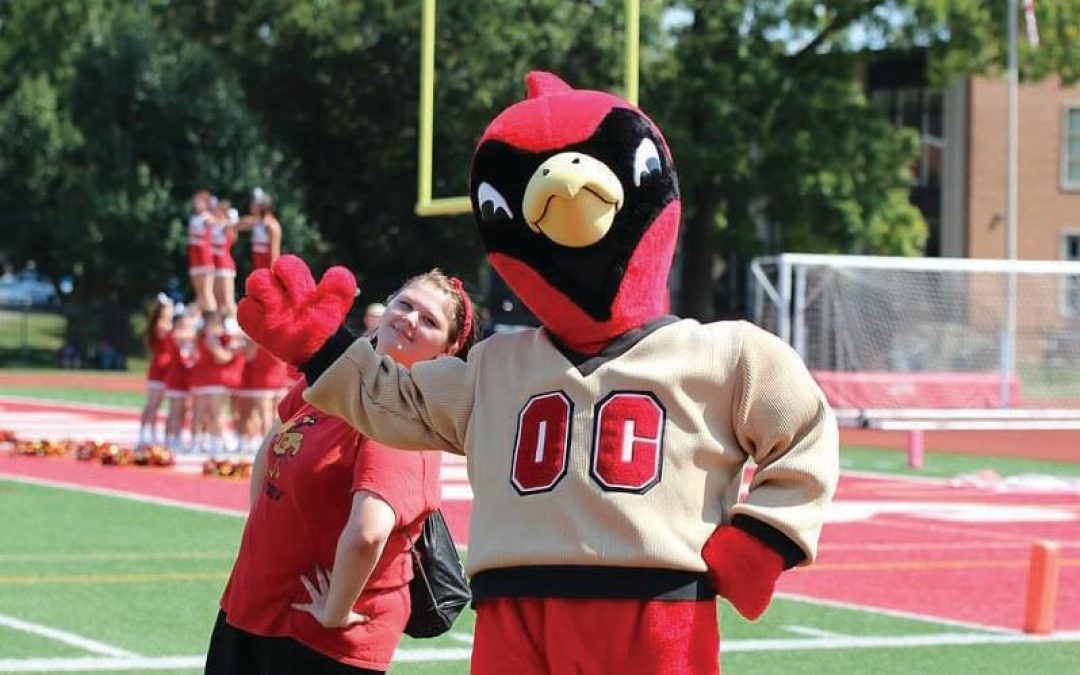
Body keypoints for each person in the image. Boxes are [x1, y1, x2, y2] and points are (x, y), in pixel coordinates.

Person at [238, 72, 838, 674]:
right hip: (513, 615)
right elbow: (393, 401)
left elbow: (805, 434)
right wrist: (321, 346)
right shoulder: (494, 365)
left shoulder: (724, 354)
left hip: (656, 615)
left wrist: (761, 544)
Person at [207, 268, 481, 675]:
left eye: (429, 321)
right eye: (405, 305)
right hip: (255, 604)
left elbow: (369, 531)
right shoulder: (337, 378)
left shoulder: (402, 420)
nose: (409, 319)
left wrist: (335, 610)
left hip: (316, 635)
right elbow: (272, 450)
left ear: (445, 351)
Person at [138, 293, 175, 448]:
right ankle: (145, 434)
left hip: (166, 367)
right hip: (159, 367)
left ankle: (151, 433)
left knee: (157, 404)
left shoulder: (165, 324)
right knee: (153, 404)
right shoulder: (161, 325)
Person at [188, 191, 217, 313]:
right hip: (194, 258)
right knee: (199, 295)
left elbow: (215, 222)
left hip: (205, 258)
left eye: (199, 202)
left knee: (207, 292)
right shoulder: (193, 218)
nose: (196, 204)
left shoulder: (207, 217)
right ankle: (204, 321)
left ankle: (215, 320)